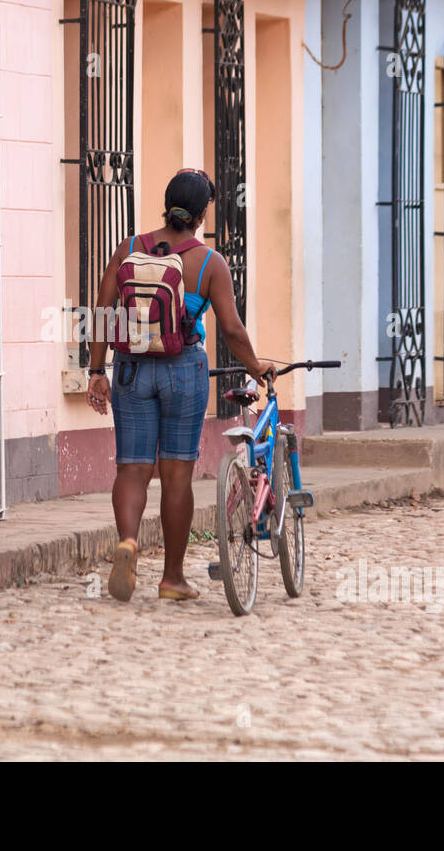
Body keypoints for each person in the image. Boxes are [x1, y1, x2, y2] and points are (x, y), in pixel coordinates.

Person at [86, 168, 274, 601]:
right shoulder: (210, 263)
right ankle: (171, 578)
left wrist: (97, 371)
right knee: (176, 476)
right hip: (183, 370)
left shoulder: (129, 249)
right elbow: (231, 329)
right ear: (203, 213)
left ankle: (128, 542)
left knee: (132, 468)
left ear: (166, 202)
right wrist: (255, 365)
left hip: (131, 368)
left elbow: (101, 311)